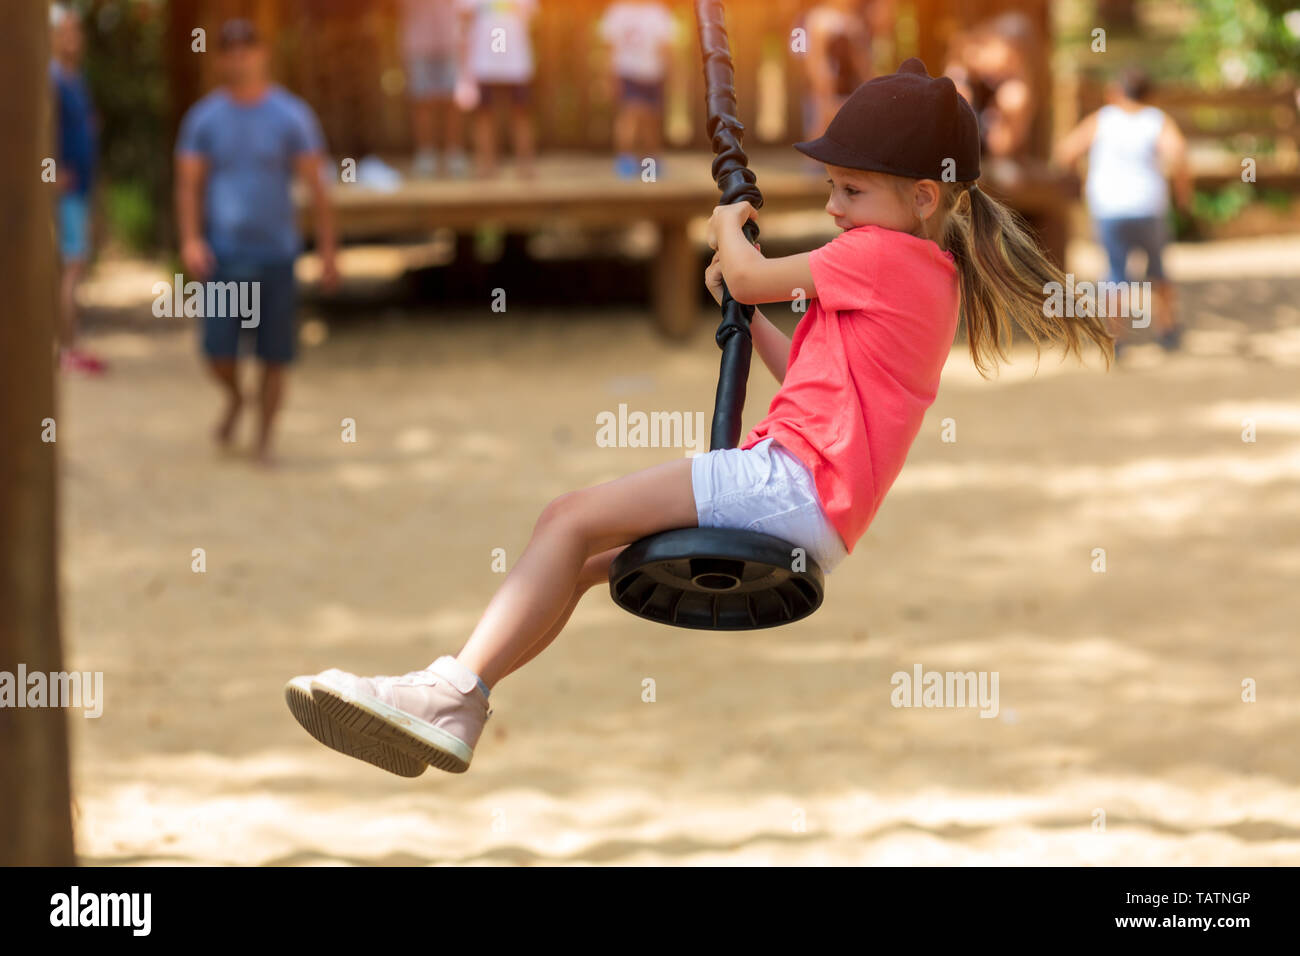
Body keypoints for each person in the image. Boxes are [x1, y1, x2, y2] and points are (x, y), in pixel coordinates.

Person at [284, 59, 1112, 777]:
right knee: (583, 557)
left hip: (785, 483)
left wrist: (727, 233)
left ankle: (447, 690)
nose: (833, 207)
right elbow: (811, 378)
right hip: (815, 513)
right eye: (831, 188)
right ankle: (465, 701)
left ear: (923, 197)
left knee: (565, 518)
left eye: (851, 189)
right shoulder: (923, 275)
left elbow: (752, 273)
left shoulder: (880, 253)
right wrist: (747, 320)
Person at [174, 19, 339, 465]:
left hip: (277, 254)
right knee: (218, 353)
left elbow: (317, 186)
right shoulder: (204, 119)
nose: (240, 56)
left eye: (247, 47)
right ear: (221, 58)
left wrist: (327, 250)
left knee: (275, 355)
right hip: (224, 254)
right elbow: (188, 185)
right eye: (230, 49)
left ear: (262, 53)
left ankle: (264, 441)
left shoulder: (291, 116)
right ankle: (234, 397)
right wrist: (191, 240)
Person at [1053, 67, 1192, 357]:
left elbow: (1066, 152)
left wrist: (1079, 185)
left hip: (1109, 207)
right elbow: (1178, 154)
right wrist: (1182, 195)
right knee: (1157, 270)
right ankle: (1167, 330)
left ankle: (1117, 339)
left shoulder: (1102, 119)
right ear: (1149, 94)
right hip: (1149, 206)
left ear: (1116, 91)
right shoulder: (1157, 120)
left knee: (1115, 274)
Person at [49, 3, 105, 375]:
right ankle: (65, 347)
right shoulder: (50, 78)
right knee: (71, 264)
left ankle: (71, 343)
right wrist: (50, 174)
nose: (73, 37)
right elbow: (37, 132)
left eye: (76, 30)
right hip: (65, 189)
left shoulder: (74, 77)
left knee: (74, 264)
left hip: (82, 187)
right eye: (65, 30)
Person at [456, 0, 538, 179]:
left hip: (517, 63)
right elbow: (463, 21)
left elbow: (531, 16)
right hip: (482, 63)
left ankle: (526, 166)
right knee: (484, 115)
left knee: (521, 114)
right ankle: (486, 166)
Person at [943, 12, 1037, 165]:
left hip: (987, 154)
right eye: (1007, 59)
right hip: (957, 153)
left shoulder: (1012, 91)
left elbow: (1001, 146)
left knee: (1014, 97)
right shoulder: (962, 71)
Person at [598, 1, 677, 179]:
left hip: (653, 73)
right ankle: (625, 164)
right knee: (629, 117)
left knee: (651, 120)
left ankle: (650, 166)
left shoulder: (658, 11)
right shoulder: (617, 11)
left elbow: (666, 47)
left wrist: (670, 73)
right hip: (626, 72)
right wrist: (609, 77)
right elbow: (609, 48)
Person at [400, 0, 467, 178]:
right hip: (418, 43)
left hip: (452, 41)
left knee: (454, 100)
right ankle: (426, 155)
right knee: (421, 101)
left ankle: (454, 154)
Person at [801, 0, 873, 142]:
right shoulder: (819, 18)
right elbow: (815, 59)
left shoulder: (854, 20)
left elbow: (861, 61)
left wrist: (869, 86)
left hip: (849, 90)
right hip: (827, 92)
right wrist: (825, 94)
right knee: (820, 135)